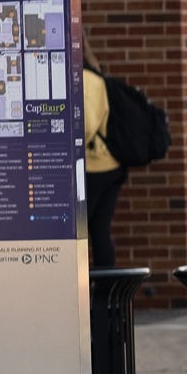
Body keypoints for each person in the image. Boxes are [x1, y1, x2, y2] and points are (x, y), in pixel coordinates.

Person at [81, 62, 126, 267]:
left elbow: (88, 125)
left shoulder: (84, 78)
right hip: (111, 165)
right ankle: (104, 293)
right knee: (100, 230)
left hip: (93, 165)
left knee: (77, 231)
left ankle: (83, 290)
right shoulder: (97, 77)